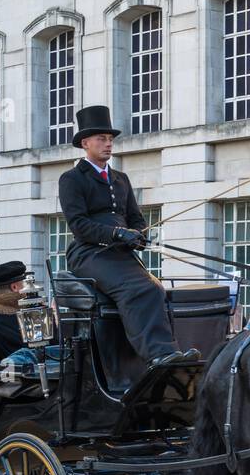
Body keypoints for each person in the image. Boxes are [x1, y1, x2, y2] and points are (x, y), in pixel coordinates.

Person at [59, 104, 196, 368]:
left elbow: (134, 217)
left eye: (110, 140)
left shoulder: (120, 178)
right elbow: (79, 226)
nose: (108, 144)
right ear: (85, 143)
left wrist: (139, 235)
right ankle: (157, 355)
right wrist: (116, 233)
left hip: (119, 252)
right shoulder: (72, 179)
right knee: (137, 287)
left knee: (156, 288)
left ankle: (166, 351)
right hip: (89, 253)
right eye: (102, 139)